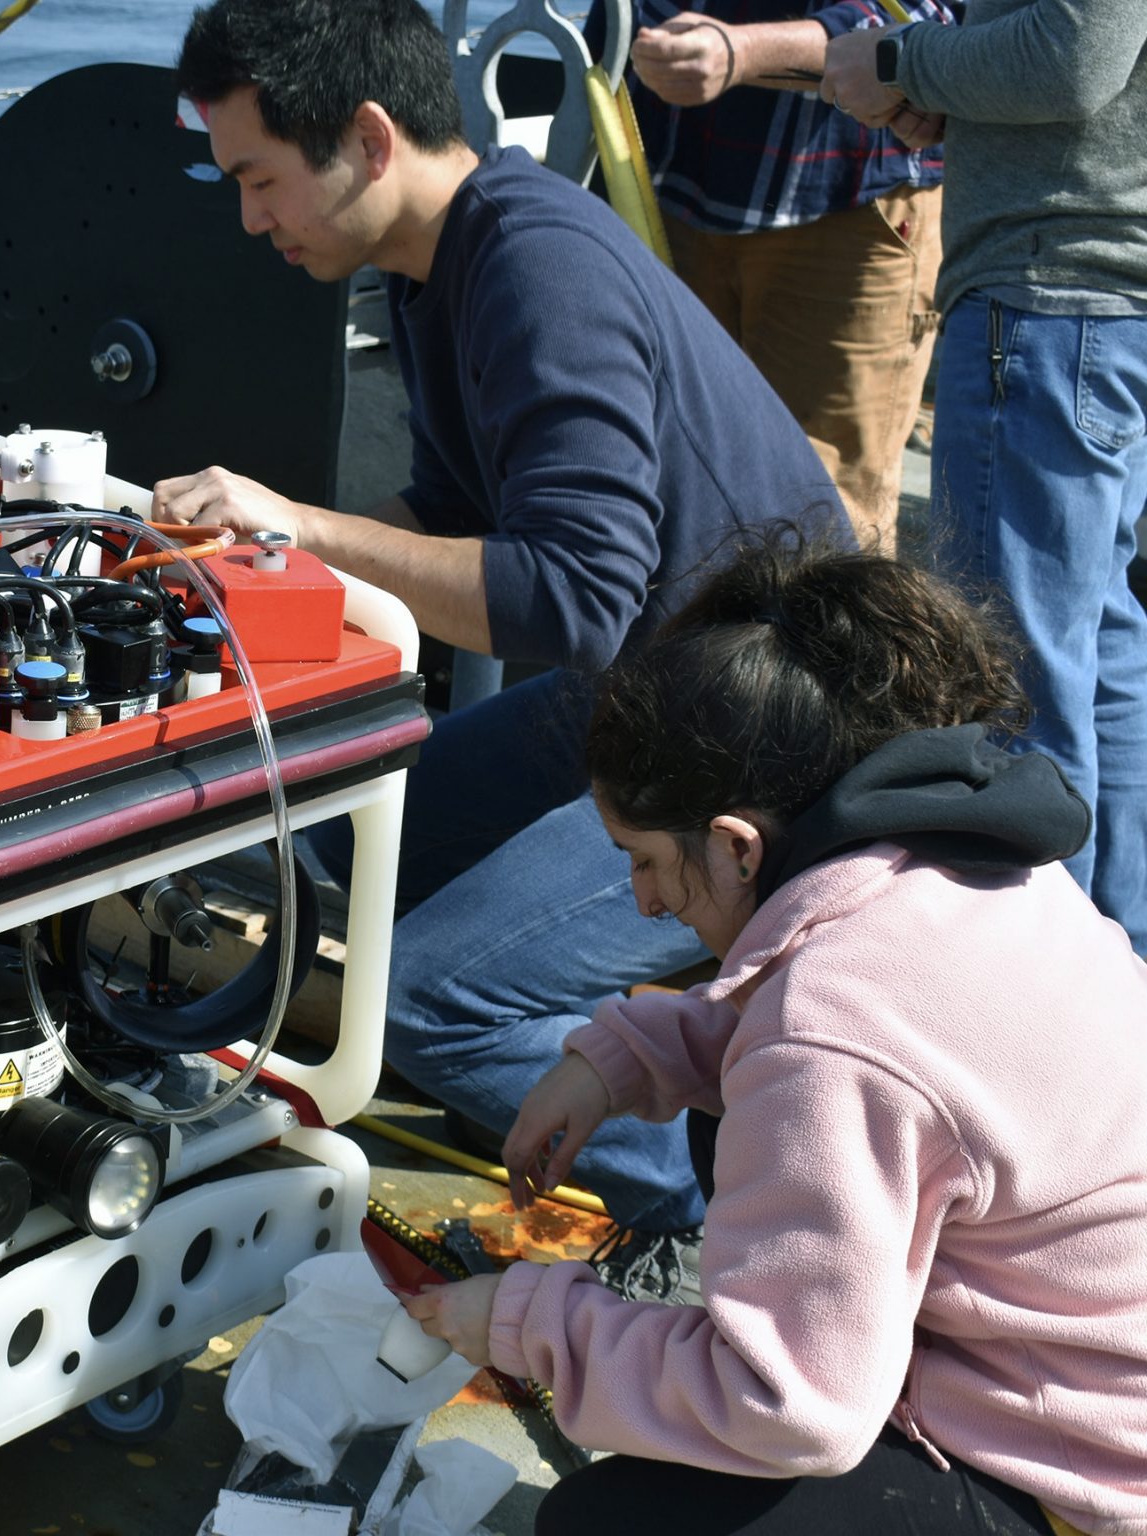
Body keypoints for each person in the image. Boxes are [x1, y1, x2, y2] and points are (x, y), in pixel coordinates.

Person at [161, 0, 851, 1281]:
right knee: (302, 851)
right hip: (644, 684)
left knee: (431, 997)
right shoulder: (433, 270)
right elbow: (455, 519)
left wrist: (302, 523)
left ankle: (720, 1214)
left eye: (259, 178)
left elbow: (571, 598)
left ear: (369, 140)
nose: (251, 219)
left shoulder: (538, 267)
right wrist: (256, 574)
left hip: (765, 729)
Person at [403, 531, 1147, 1536]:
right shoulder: (966, 857)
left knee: (610, 1525)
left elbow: (791, 1407)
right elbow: (896, 1054)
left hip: (1092, 1462)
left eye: (644, 861)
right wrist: (625, 1058)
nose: (645, 900)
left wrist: (529, 1323)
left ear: (737, 845)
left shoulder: (826, 1035)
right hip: (1100, 1361)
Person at [820, 2, 1147, 955]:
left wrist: (901, 62)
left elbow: (1075, 59)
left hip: (1050, 294)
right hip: (1093, 299)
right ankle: (1111, 973)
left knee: (1013, 676)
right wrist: (941, 81)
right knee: (1098, 658)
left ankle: (1040, 994)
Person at [584, 0, 952, 555]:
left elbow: (938, 20)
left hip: (847, 203)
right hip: (662, 180)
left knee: (825, 517)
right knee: (671, 489)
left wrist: (746, 52)